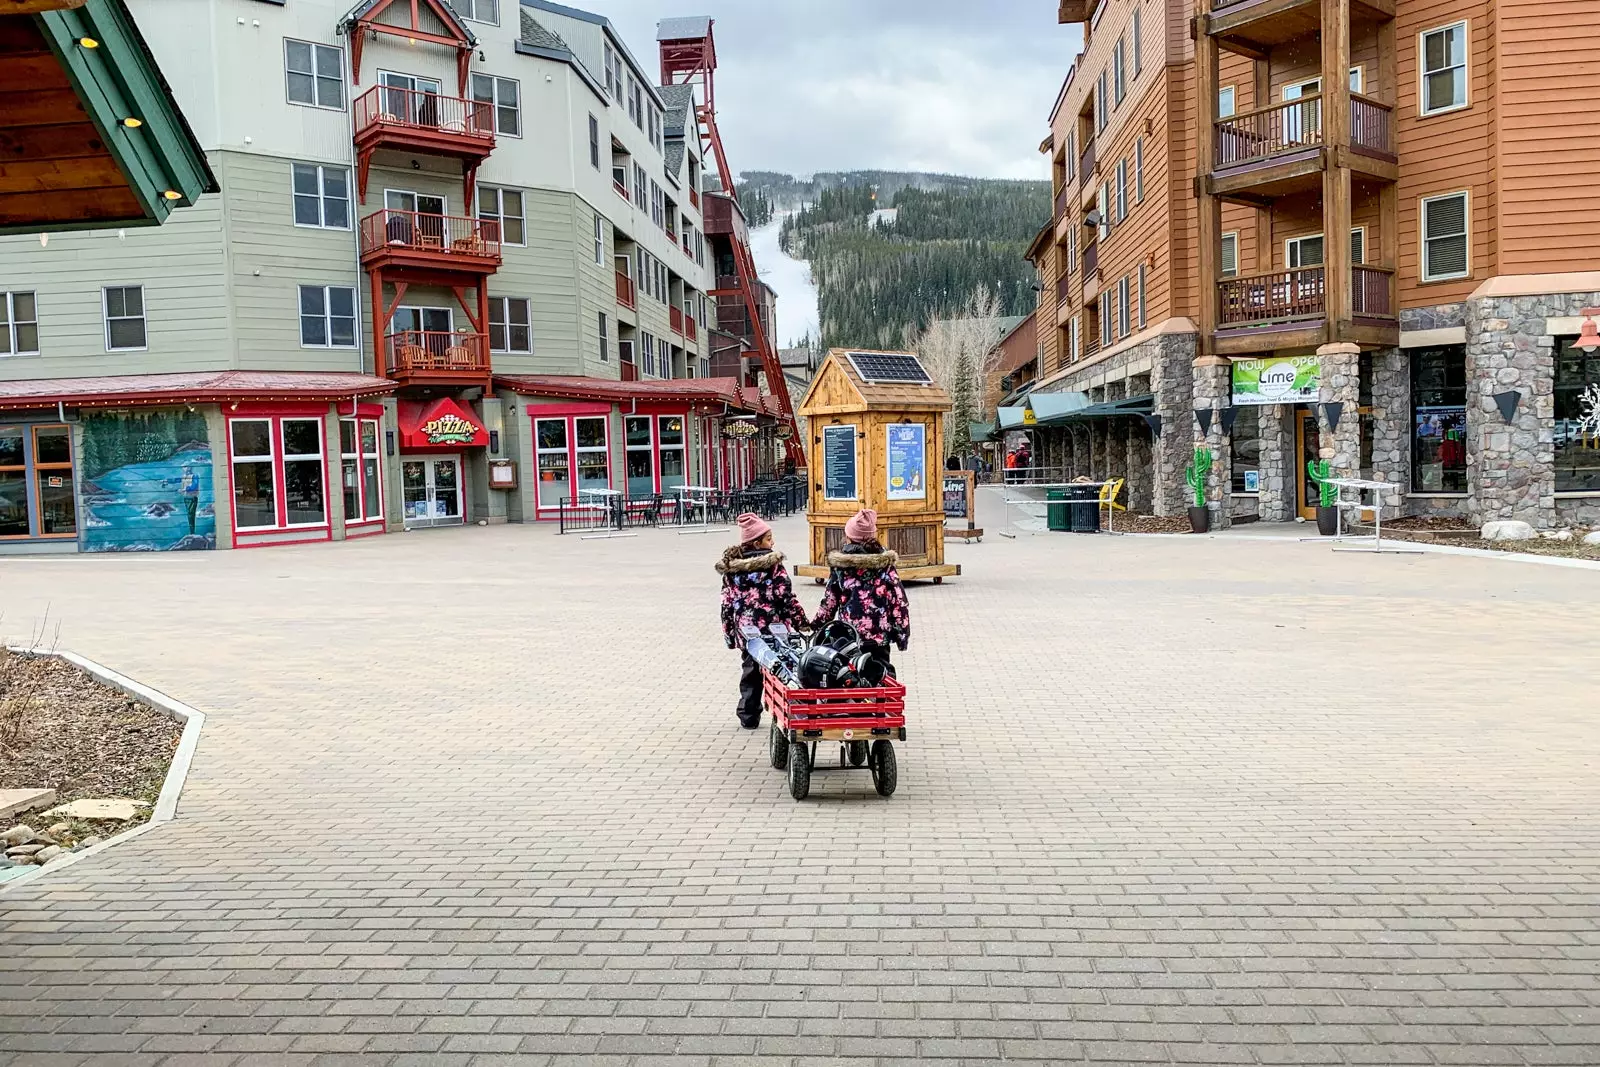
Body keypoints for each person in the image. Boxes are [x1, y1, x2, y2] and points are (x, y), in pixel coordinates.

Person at [716, 511, 809, 729]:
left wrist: (730, 635)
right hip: (775, 631)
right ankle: (788, 711)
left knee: (750, 670)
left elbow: (726, 606)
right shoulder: (774, 567)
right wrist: (801, 621)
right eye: (768, 539)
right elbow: (786, 598)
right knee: (782, 669)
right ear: (757, 542)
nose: (773, 542)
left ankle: (748, 715)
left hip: (748, 633)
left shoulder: (733, 571)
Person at [811, 508, 910, 677]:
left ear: (849, 537)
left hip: (849, 638)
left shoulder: (841, 567)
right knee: (881, 675)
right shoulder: (884, 566)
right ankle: (881, 702)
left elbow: (829, 602)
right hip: (878, 638)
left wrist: (816, 625)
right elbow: (899, 602)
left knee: (850, 676)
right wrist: (902, 634)